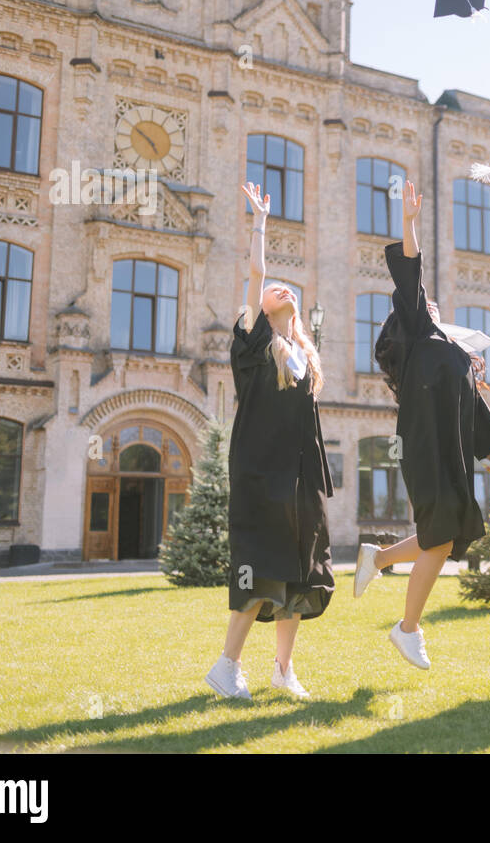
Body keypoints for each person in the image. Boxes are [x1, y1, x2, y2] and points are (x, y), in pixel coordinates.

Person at [353, 181, 490, 670]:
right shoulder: (420, 334)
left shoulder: (452, 352)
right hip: (426, 447)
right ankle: (408, 629)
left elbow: (472, 405)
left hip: (453, 451)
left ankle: (376, 560)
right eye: (423, 306)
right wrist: (408, 224)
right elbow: (410, 278)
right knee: (441, 536)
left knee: (451, 528)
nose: (432, 306)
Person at [205, 181, 335, 701]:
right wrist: (260, 221)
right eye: (273, 287)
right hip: (261, 472)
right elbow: (256, 271)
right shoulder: (258, 345)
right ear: (256, 307)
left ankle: (283, 670)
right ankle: (226, 666)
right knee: (260, 566)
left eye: (290, 287)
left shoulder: (303, 355)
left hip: (300, 477)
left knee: (300, 571)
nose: (283, 287)